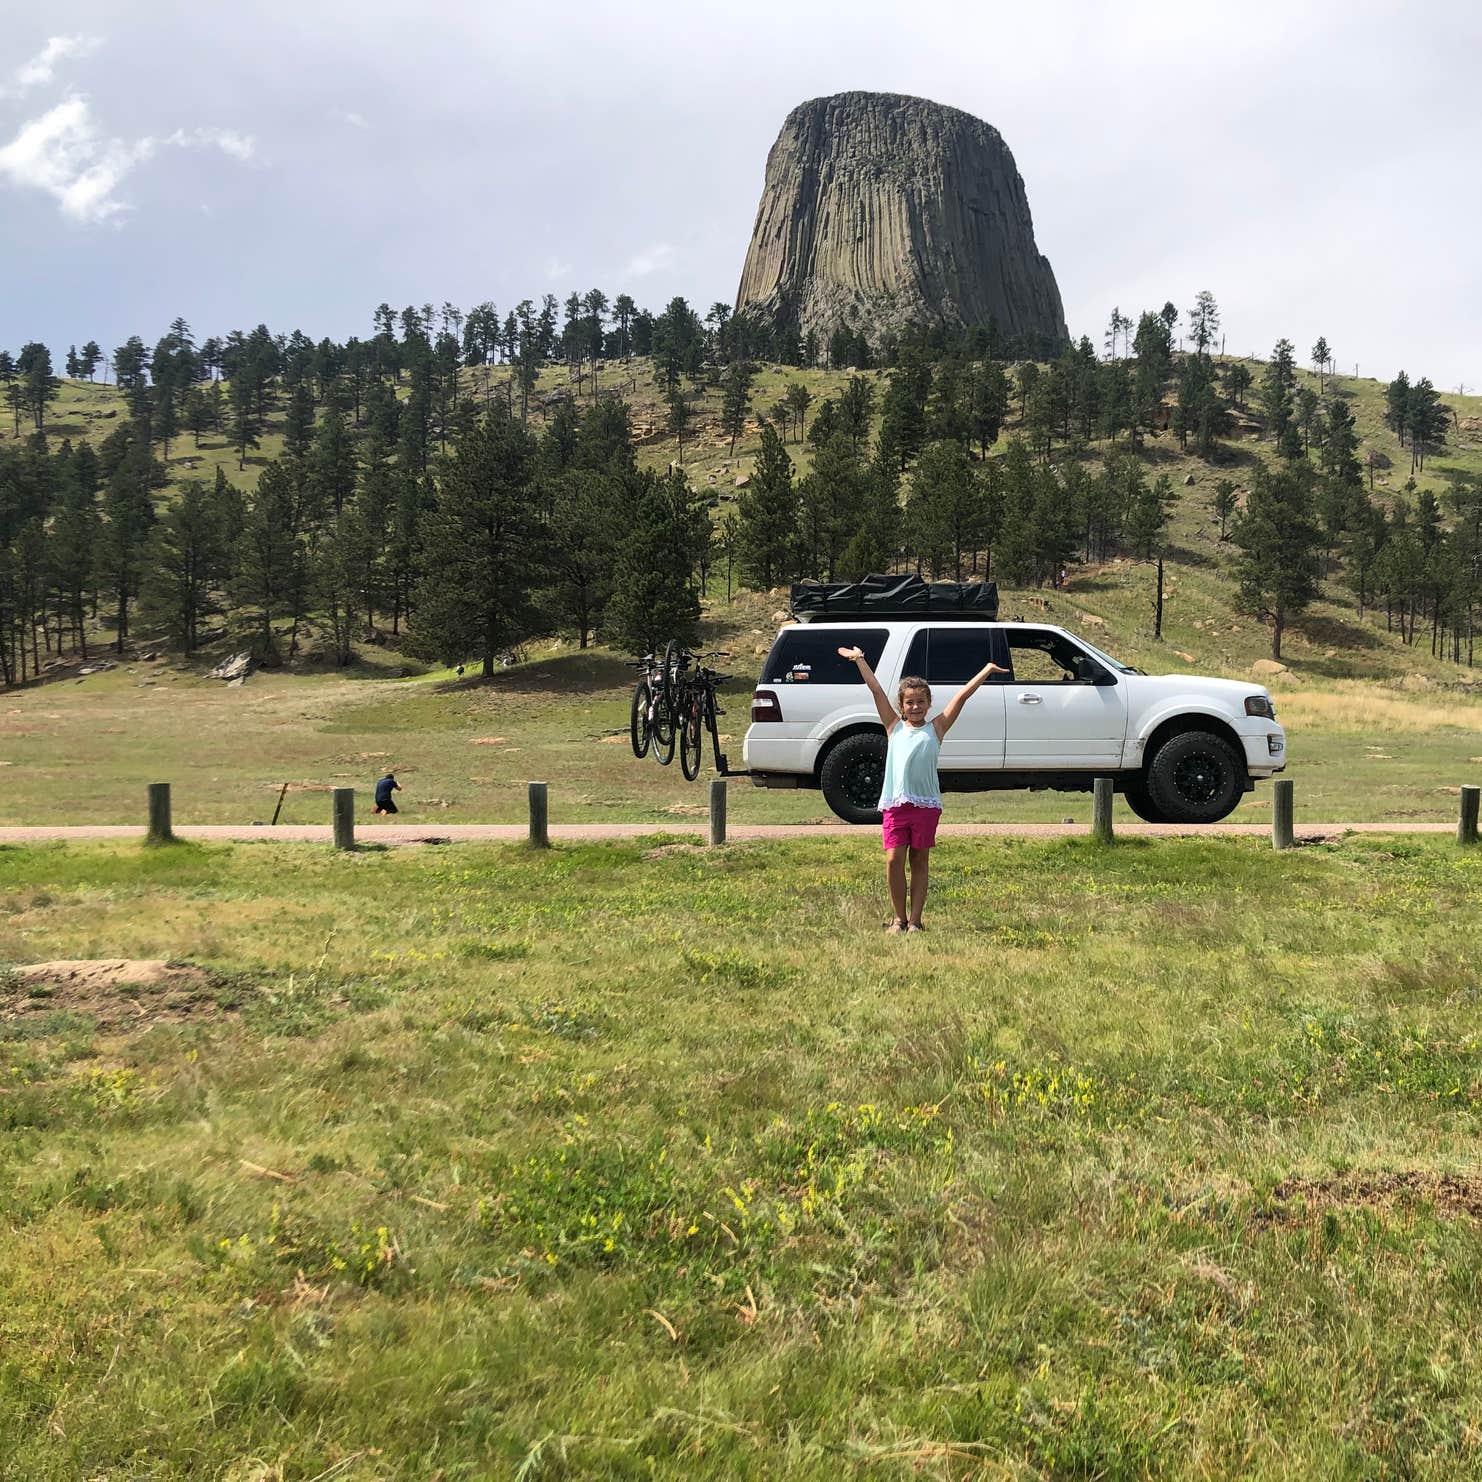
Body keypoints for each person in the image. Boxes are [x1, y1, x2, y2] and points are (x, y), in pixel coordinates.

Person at [838, 645, 1009, 933]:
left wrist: (987, 670)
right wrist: (860, 660)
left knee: (919, 859)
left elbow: (961, 697)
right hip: (896, 804)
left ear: (928, 704)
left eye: (920, 701)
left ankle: (915, 921)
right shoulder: (894, 727)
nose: (915, 707)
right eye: (909, 702)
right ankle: (898, 919)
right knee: (894, 859)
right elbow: (877, 691)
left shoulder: (937, 728)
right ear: (901, 705)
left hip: (926, 806)